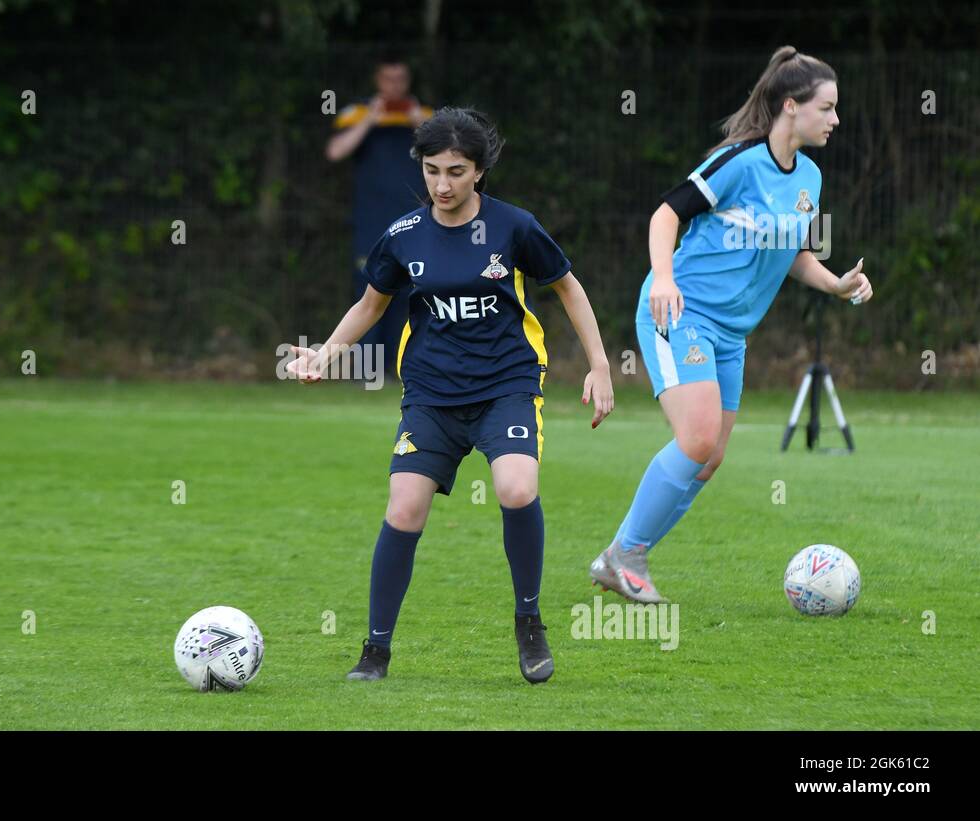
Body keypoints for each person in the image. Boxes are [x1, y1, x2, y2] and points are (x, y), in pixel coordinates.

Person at [290, 107, 615, 683]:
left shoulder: (513, 227)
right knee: (404, 509)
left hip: (506, 385)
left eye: (456, 171)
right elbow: (370, 305)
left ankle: (529, 623)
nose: (442, 184)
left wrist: (598, 365)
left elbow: (566, 285)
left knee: (517, 488)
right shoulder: (403, 236)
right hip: (432, 395)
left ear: (480, 172)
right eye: (433, 170)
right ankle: (375, 651)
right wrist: (325, 354)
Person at [590, 46, 873, 603]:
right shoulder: (739, 163)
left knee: (711, 456)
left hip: (731, 333)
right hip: (682, 312)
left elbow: (793, 253)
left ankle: (622, 555)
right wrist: (664, 277)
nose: (836, 120)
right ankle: (626, 556)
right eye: (828, 108)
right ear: (791, 106)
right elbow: (665, 213)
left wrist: (836, 283)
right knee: (695, 440)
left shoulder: (810, 179)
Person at [326, 54, 434, 380]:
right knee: (370, 292)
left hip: (417, 223)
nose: (394, 87)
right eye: (388, 80)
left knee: (413, 293)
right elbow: (335, 152)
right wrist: (370, 119)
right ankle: (367, 374)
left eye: (400, 80)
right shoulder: (358, 114)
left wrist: (418, 122)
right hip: (372, 223)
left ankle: (405, 370)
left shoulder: (426, 118)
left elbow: (453, 149)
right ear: (377, 80)